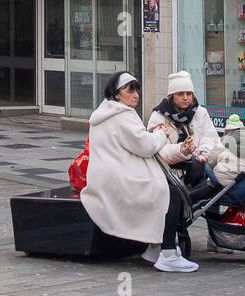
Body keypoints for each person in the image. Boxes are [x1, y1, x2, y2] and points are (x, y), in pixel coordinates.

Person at [80, 71, 199, 273]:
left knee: (168, 190)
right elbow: (145, 146)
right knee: (172, 193)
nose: (135, 95)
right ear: (117, 93)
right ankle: (168, 253)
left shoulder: (105, 112)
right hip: (122, 178)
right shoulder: (122, 115)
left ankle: (155, 248)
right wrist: (162, 133)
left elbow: (134, 141)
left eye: (137, 90)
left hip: (108, 176)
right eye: (130, 90)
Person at [147, 71, 222, 194]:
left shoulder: (200, 112)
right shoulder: (158, 116)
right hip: (167, 176)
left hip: (198, 174)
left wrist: (204, 152)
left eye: (189, 93)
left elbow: (210, 138)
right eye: (180, 93)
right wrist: (181, 150)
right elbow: (156, 150)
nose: (185, 97)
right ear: (172, 96)